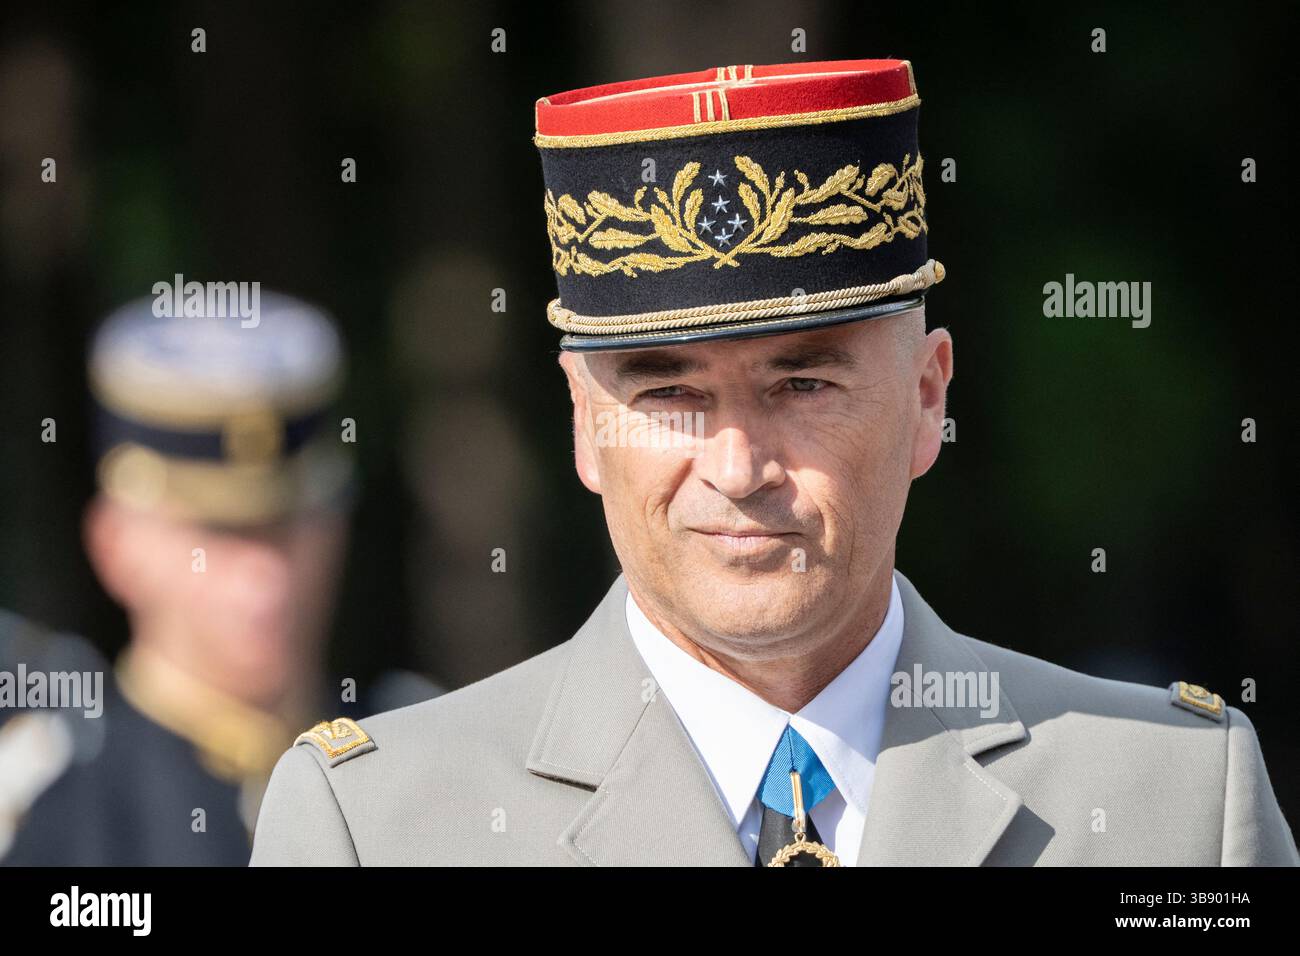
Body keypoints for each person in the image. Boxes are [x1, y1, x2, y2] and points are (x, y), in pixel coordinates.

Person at [250, 60, 1298, 866]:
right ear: (582, 420)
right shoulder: (380, 828)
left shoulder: (1172, 799)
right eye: (669, 394)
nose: (739, 463)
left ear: (929, 395)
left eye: (803, 385)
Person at [2, 292, 438, 866]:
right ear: (115, 546)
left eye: (286, 527)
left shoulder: (424, 757)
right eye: (215, 535)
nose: (264, 578)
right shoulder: (51, 809)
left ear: (336, 528)